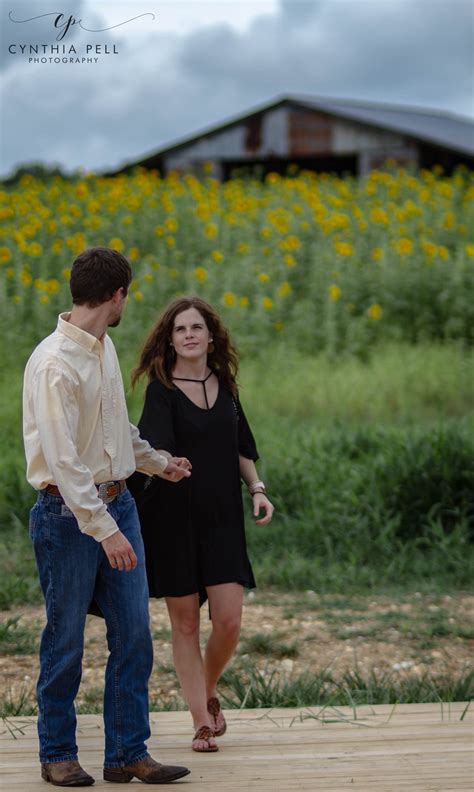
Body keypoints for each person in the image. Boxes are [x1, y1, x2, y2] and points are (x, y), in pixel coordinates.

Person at [22, 247, 192, 787]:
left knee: (134, 635)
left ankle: (126, 753)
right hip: (67, 516)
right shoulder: (54, 364)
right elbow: (68, 463)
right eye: (127, 295)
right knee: (66, 639)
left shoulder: (103, 346)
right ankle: (57, 754)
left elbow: (113, 432)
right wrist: (107, 529)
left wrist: (157, 463)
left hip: (119, 503)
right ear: (117, 295)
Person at [129, 296, 274, 753]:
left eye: (196, 327)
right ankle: (200, 722)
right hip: (174, 519)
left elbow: (241, 448)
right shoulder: (161, 389)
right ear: (170, 341)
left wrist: (257, 490)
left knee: (229, 621)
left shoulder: (225, 385)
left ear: (211, 336)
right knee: (186, 623)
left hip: (223, 517)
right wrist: (170, 460)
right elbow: (150, 452)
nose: (189, 334)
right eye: (180, 329)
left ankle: (207, 688)